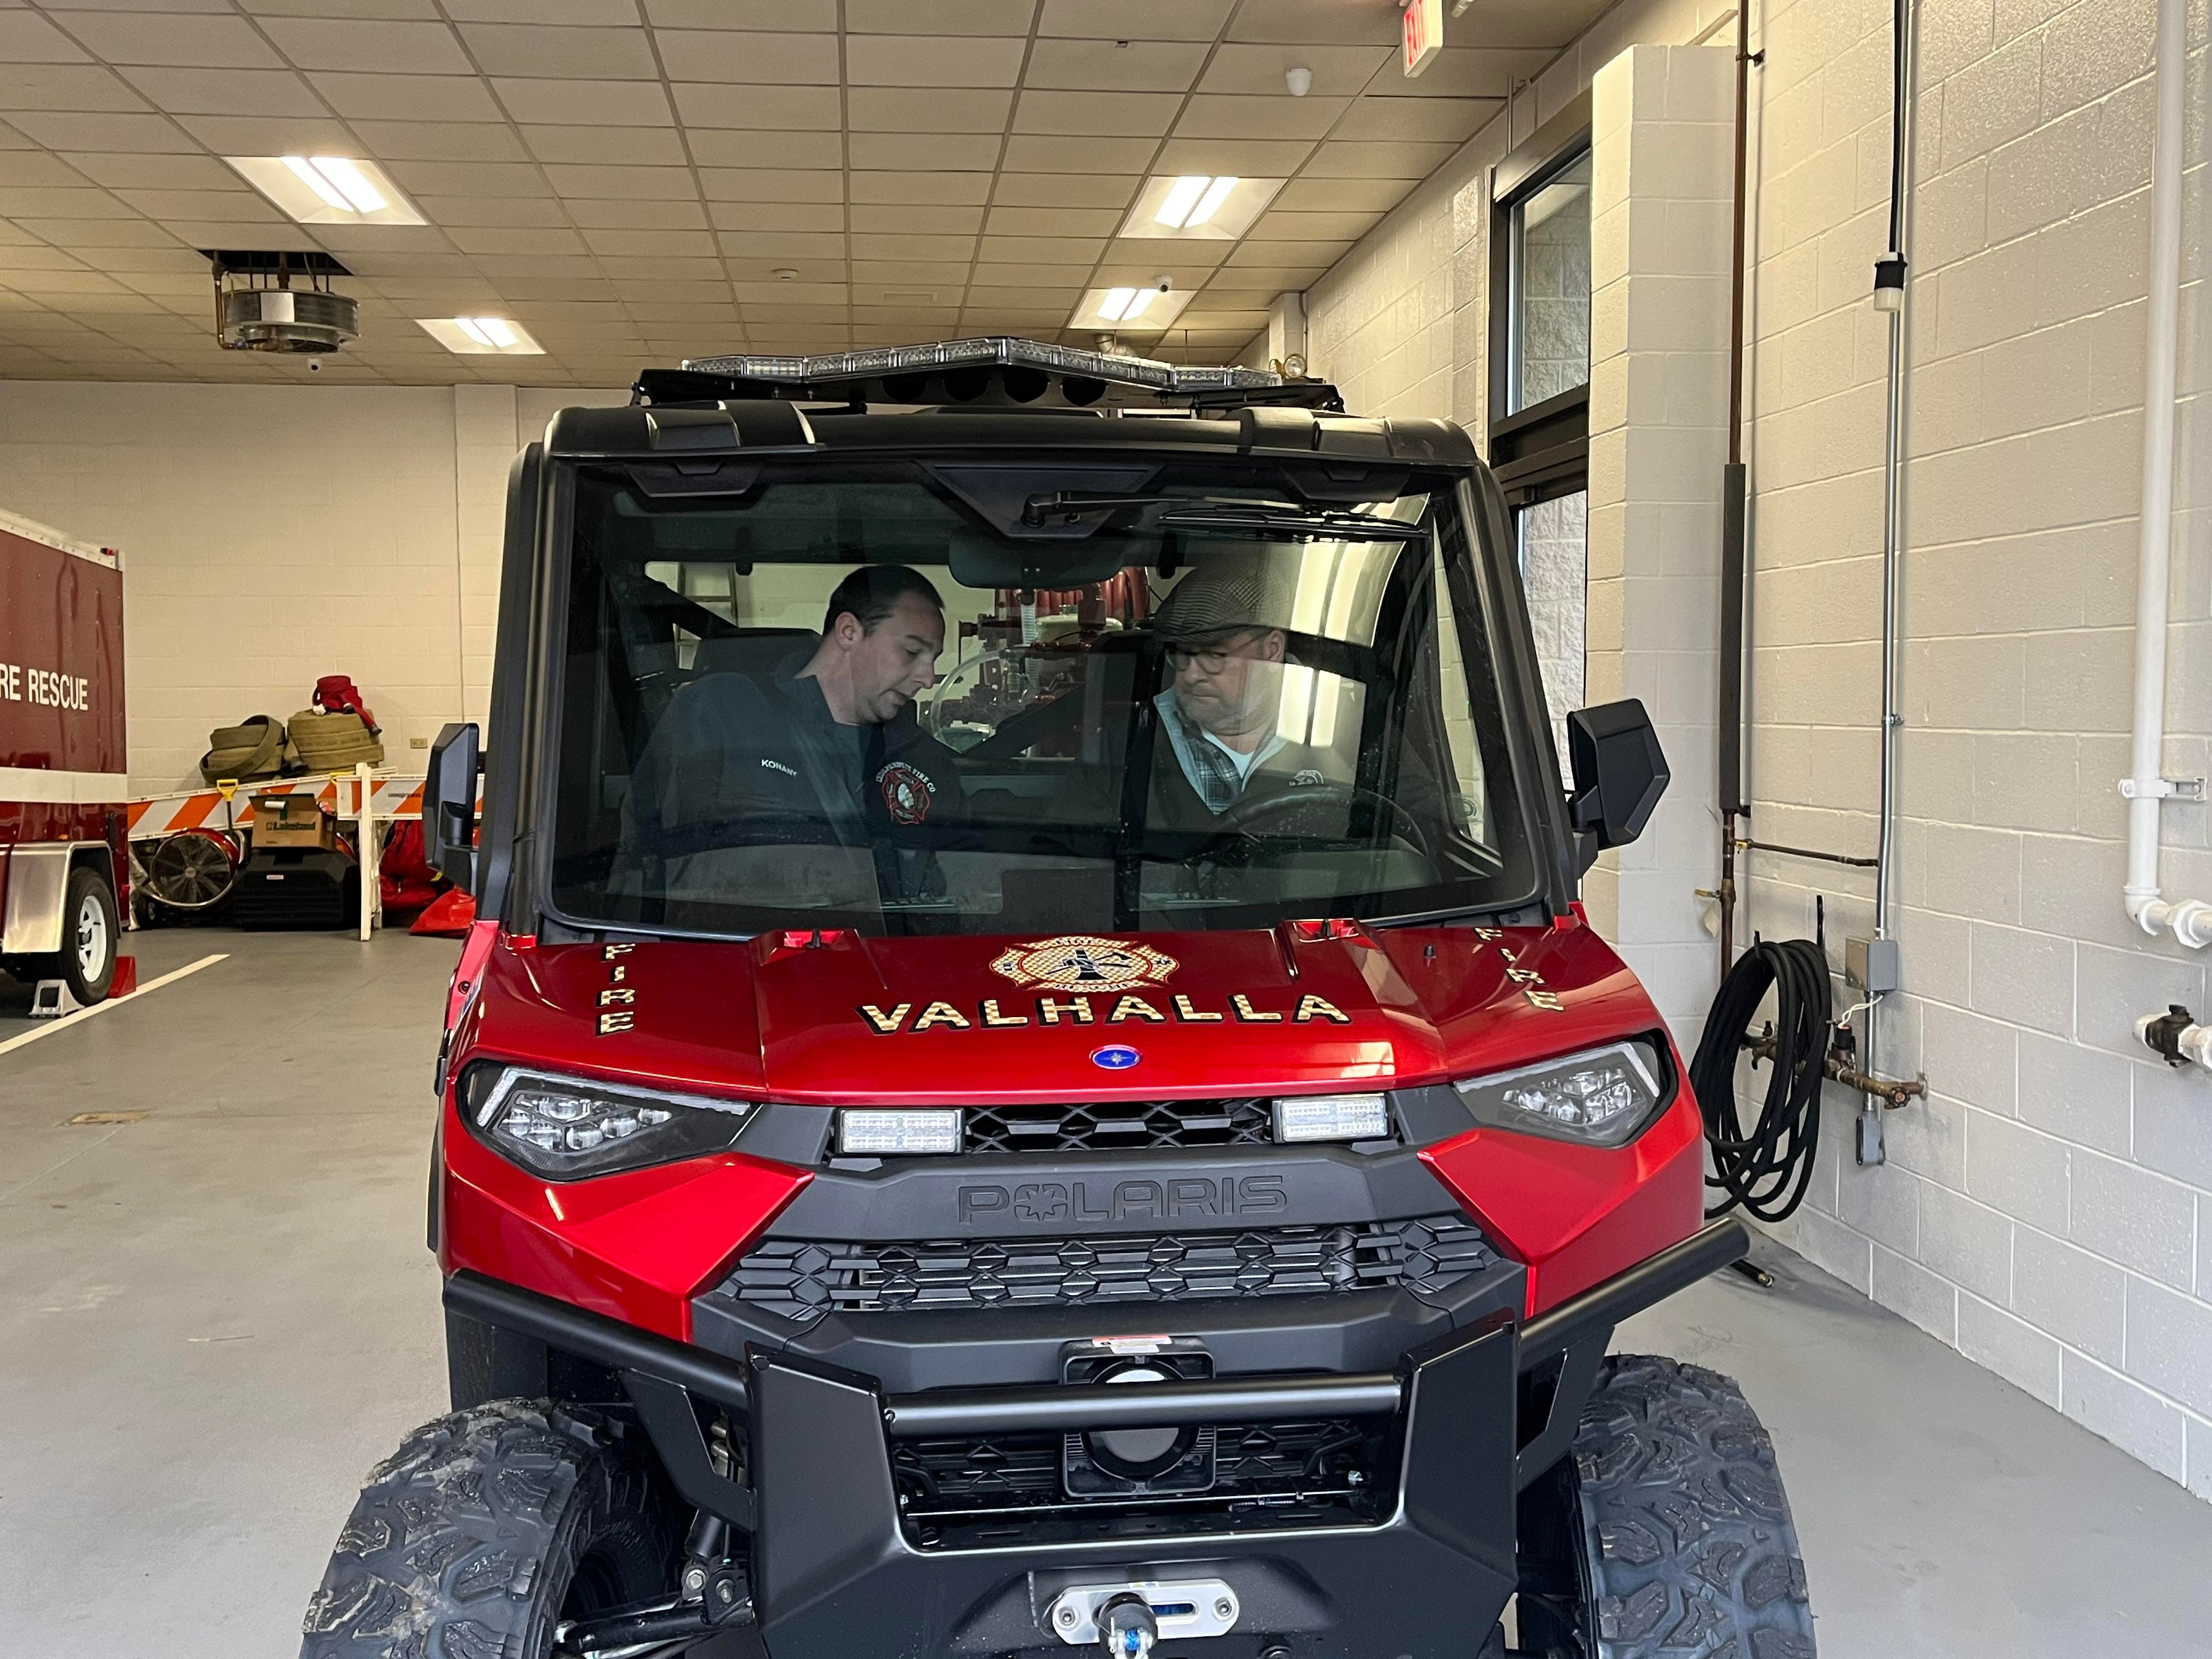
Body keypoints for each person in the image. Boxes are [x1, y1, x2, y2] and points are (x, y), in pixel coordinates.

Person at [626, 564, 968, 906]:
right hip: (731, 951)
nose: (928, 678)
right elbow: (653, 867)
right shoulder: (721, 714)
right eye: (911, 652)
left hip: (893, 957)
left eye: (933, 658)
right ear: (849, 631)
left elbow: (962, 895)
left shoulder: (928, 763)